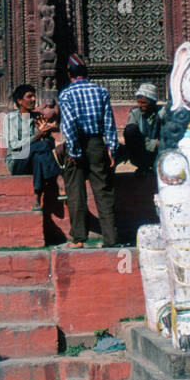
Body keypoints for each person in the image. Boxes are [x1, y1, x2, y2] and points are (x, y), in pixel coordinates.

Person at [57, 53, 119, 248]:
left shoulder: (66, 94)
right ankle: (111, 238)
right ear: (86, 73)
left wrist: (74, 152)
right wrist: (111, 147)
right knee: (103, 191)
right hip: (96, 143)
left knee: (75, 192)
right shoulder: (100, 91)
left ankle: (79, 238)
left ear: (69, 74)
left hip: (76, 144)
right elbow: (109, 122)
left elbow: (69, 125)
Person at [5, 84, 64, 209]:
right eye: (29, 97)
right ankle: (58, 176)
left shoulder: (37, 118)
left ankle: (37, 196)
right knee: (40, 146)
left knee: (39, 155)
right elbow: (15, 146)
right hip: (18, 161)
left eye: (34, 96)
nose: (33, 99)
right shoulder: (11, 119)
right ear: (20, 101)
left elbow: (50, 144)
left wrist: (46, 134)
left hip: (34, 160)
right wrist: (37, 136)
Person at [117, 82, 164, 174]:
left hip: (159, 153)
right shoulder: (135, 113)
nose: (139, 105)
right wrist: (153, 143)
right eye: (138, 102)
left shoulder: (162, 112)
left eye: (143, 102)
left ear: (152, 102)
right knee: (130, 130)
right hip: (141, 151)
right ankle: (142, 165)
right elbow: (131, 135)